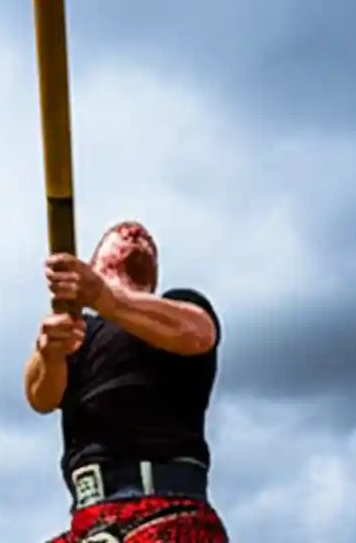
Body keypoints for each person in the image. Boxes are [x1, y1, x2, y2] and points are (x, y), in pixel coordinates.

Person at [25, 220, 229, 542]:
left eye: (147, 240)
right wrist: (48, 353)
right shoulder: (78, 333)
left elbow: (200, 334)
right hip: (88, 521)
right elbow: (40, 397)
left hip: (170, 509)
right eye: (120, 232)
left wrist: (106, 297)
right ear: (91, 266)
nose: (137, 231)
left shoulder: (175, 309)